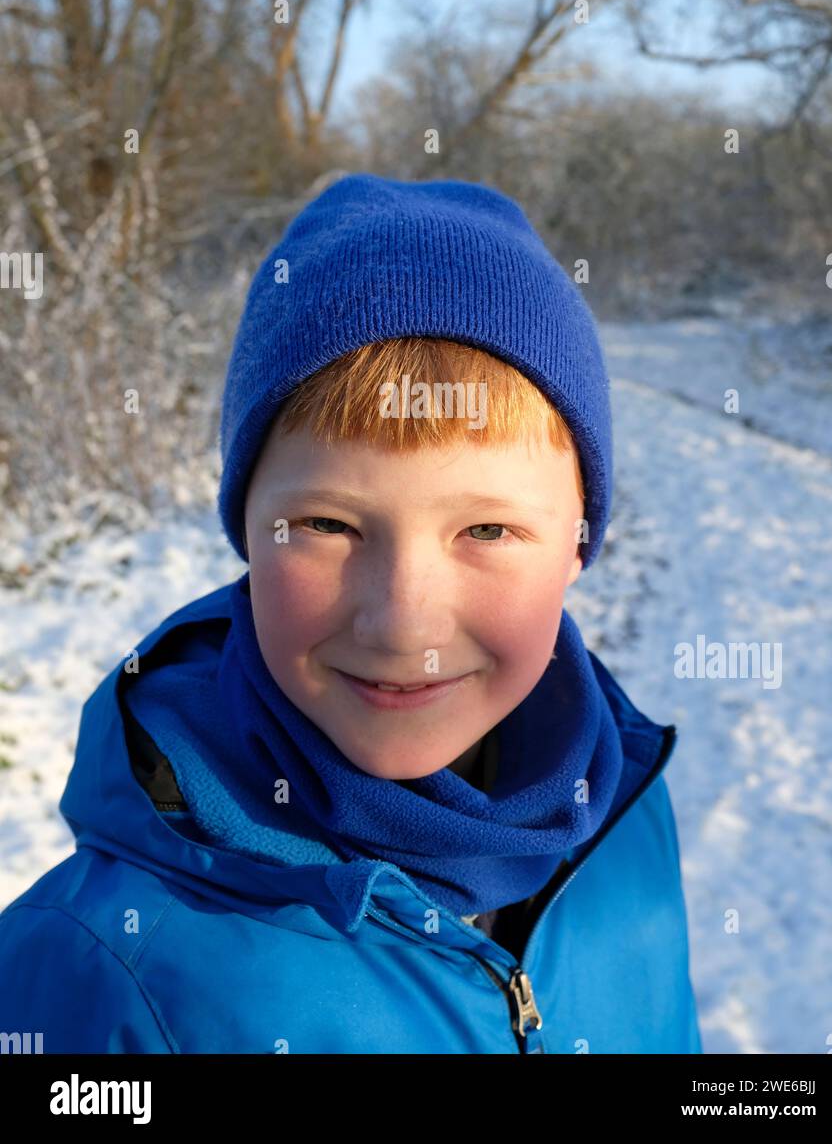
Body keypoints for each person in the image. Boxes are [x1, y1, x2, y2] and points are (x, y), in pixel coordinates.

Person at [0, 174, 702, 1054]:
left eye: (487, 529)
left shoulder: (622, 820)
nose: (403, 622)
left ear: (578, 542)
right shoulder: (99, 968)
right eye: (328, 525)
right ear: (248, 531)